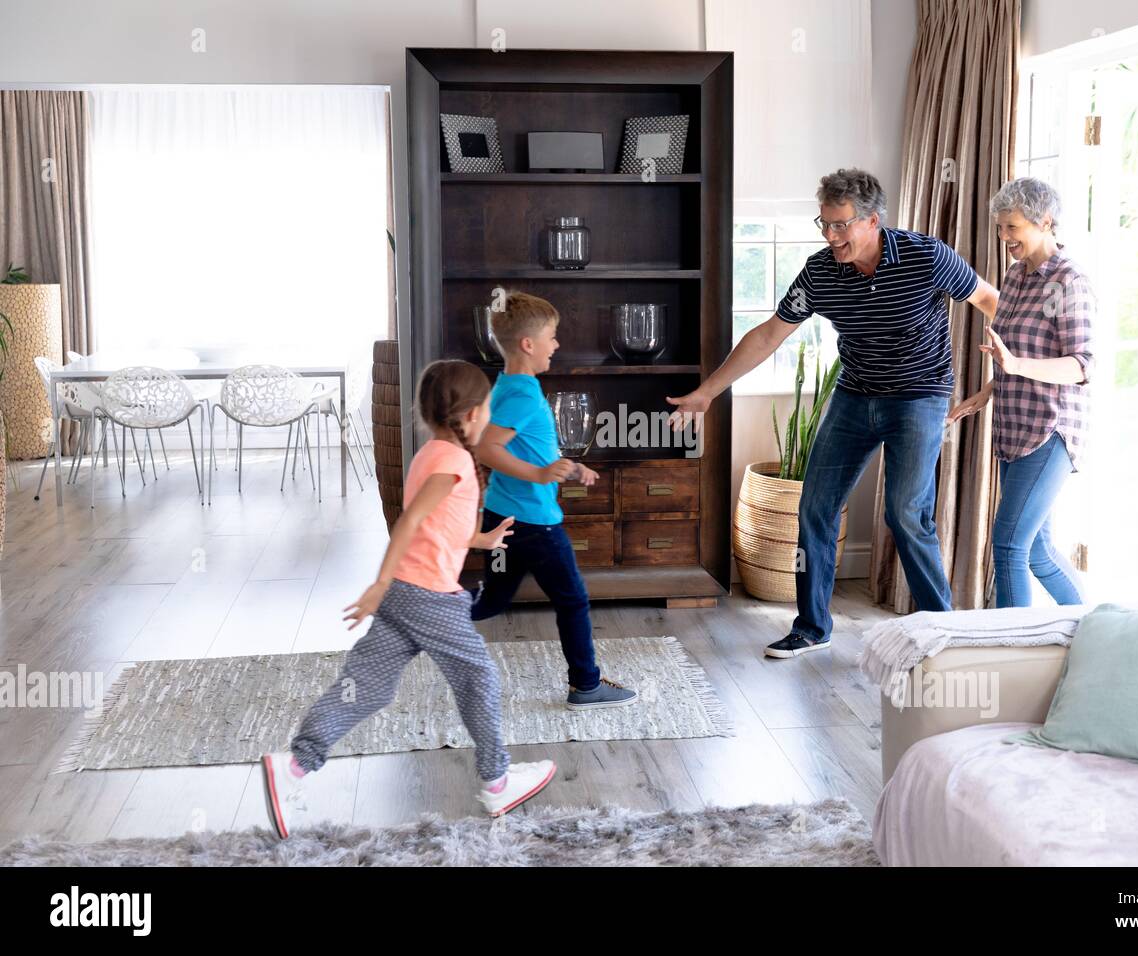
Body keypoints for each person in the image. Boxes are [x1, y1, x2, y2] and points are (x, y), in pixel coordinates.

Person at [669, 168, 999, 657]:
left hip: (919, 396)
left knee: (906, 512)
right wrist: (708, 392)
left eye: (841, 225)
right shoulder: (821, 271)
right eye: (824, 223)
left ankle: (942, 633)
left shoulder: (925, 256)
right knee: (815, 509)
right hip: (854, 396)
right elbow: (767, 336)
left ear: (872, 221)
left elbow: (991, 301)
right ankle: (812, 626)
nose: (830, 235)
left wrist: (1008, 372)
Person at [261, 360, 555, 838]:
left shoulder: (430, 453)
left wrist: (481, 541)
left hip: (406, 593)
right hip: (426, 597)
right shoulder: (455, 461)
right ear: (473, 413)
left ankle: (293, 764)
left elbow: (440, 526)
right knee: (478, 676)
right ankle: (498, 779)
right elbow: (411, 521)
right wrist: (378, 583)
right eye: (487, 407)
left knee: (368, 686)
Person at [470, 291, 638, 708]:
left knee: (491, 600)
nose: (556, 345)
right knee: (573, 600)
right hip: (535, 524)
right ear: (528, 344)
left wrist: (565, 465)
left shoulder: (508, 386)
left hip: (501, 517)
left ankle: (421, 617)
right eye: (552, 336)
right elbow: (487, 449)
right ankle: (586, 685)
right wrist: (542, 474)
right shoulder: (524, 394)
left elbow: (521, 446)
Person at [947, 176, 1092, 608]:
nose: (1003, 237)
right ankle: (1092, 629)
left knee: (1009, 544)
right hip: (1013, 428)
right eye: (1000, 227)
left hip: (1051, 430)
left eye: (1012, 227)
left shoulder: (1069, 282)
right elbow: (1020, 350)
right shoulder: (1014, 277)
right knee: (1037, 551)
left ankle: (1014, 651)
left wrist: (1015, 367)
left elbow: (1081, 365)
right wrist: (989, 389)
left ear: (1045, 222)